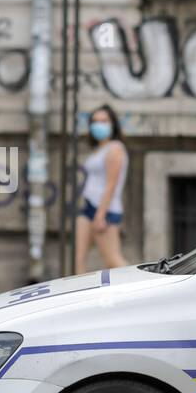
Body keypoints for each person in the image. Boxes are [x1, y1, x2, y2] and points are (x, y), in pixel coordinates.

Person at [74, 104, 129, 273]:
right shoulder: (100, 149)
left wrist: (100, 214)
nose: (99, 125)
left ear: (112, 124)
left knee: (113, 261)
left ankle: (148, 290)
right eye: (95, 121)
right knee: (78, 260)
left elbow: (111, 184)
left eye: (104, 121)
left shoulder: (115, 148)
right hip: (89, 208)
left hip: (105, 211)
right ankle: (78, 298)